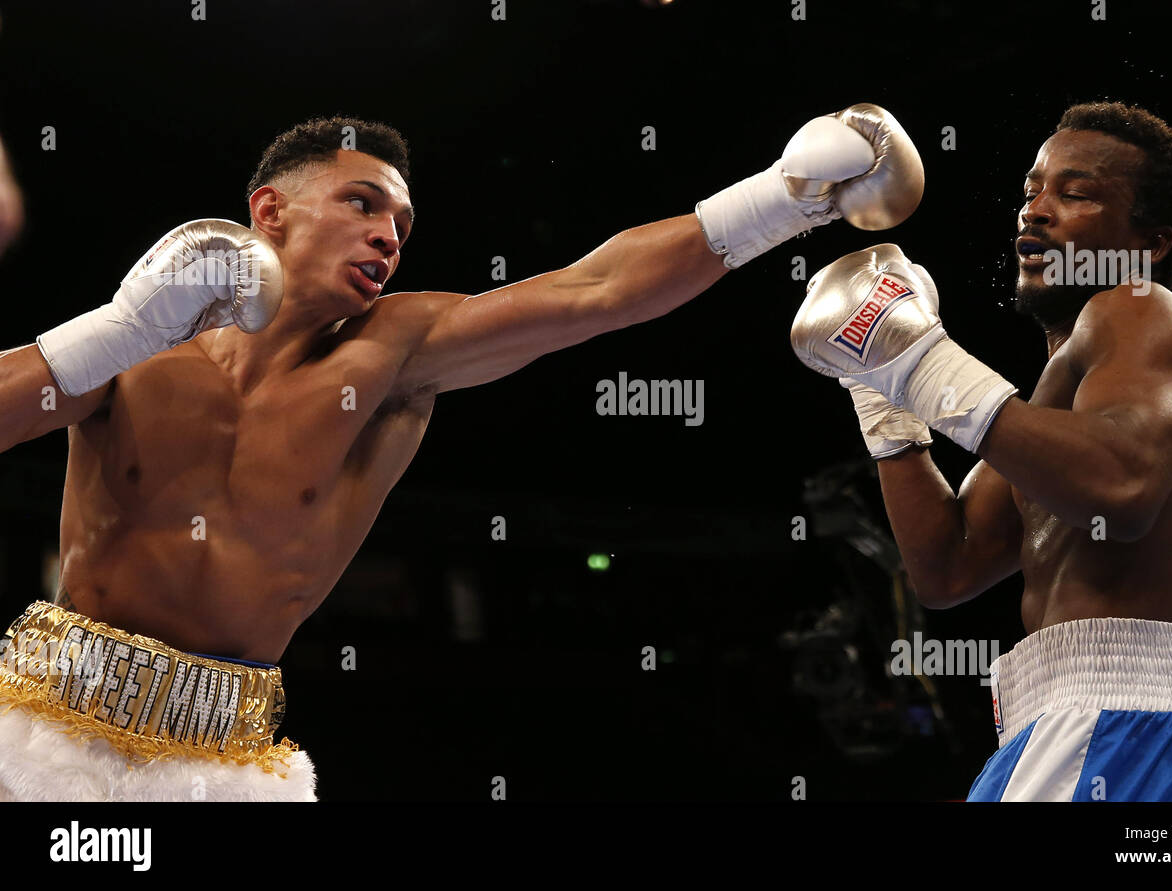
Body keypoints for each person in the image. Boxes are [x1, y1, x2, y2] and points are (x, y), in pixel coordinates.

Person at [0, 106, 923, 801]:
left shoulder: (394, 353)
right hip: (41, 726)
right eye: (362, 204)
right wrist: (118, 331)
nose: (387, 237)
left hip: (221, 760)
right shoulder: (146, 339)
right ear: (269, 209)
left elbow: (595, 290)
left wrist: (782, 198)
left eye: (401, 228)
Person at [790, 101, 1172, 801]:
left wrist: (919, 361)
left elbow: (1121, 487)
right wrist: (881, 392)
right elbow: (947, 567)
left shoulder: (1144, 308)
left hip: (1116, 727)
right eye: (1032, 190)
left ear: (1151, 244)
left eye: (1077, 193)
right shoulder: (1051, 414)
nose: (1035, 211)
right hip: (1107, 729)